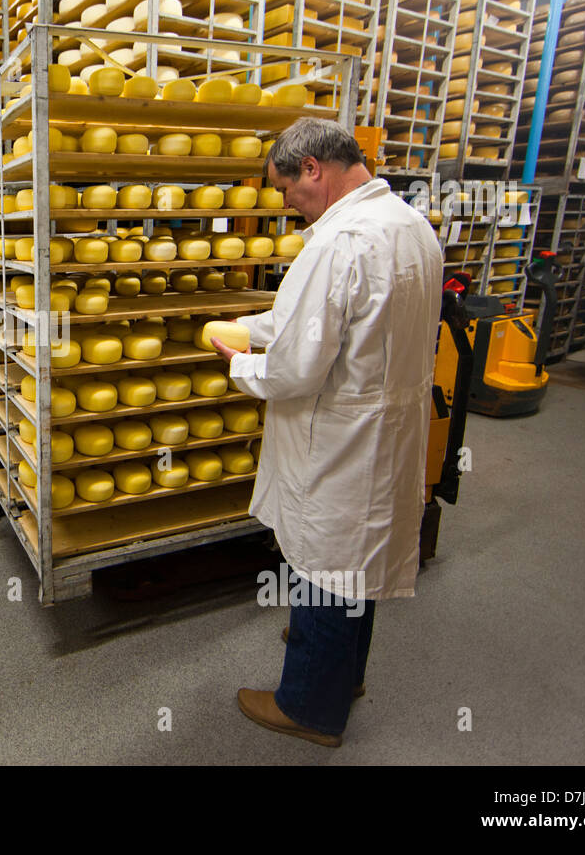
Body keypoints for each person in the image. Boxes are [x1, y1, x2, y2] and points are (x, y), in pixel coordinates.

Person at [209, 118, 443, 747]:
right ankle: (344, 674)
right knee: (356, 561)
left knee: (325, 562)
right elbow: (326, 319)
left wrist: (241, 362)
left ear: (312, 167)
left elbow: (296, 367)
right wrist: (255, 324)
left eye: (288, 189)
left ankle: (310, 705)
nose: (287, 204)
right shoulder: (411, 226)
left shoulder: (338, 241)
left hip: (341, 435)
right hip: (386, 429)